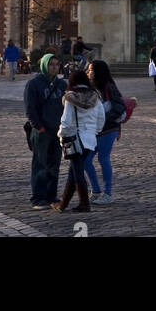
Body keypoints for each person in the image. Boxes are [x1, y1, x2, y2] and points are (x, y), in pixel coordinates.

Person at [52, 69, 105, 213]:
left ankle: (84, 204)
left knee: (78, 173)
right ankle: (63, 204)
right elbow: (101, 118)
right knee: (73, 173)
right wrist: (95, 131)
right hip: (90, 139)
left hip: (76, 139)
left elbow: (66, 121)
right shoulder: (96, 97)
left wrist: (61, 135)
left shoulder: (71, 98)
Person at [24, 54, 66, 209]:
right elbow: (30, 108)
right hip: (41, 130)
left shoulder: (61, 84)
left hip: (58, 130)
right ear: (44, 66)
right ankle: (38, 197)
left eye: (56, 64)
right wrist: (38, 126)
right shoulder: (34, 84)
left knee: (54, 164)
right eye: (51, 64)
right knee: (40, 164)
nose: (54, 67)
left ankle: (51, 195)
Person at [86, 59, 126, 205]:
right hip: (94, 130)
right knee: (85, 160)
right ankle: (96, 190)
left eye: (91, 70)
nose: (89, 72)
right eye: (88, 69)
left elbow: (119, 107)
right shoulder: (90, 87)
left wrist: (103, 119)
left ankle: (108, 193)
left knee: (103, 159)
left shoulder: (109, 86)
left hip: (108, 129)